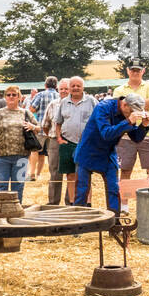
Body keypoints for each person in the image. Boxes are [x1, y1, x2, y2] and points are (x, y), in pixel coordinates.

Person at [73, 93, 149, 214]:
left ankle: (115, 222)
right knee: (82, 190)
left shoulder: (128, 113)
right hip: (88, 151)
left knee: (114, 188)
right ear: (124, 104)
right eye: (130, 112)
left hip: (108, 153)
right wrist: (128, 121)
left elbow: (135, 137)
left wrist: (144, 125)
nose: (131, 116)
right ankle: (76, 224)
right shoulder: (103, 107)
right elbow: (106, 133)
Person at [0, 86, 39, 202]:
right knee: (1, 187)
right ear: (5, 97)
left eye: (14, 95)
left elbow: (38, 128)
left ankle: (16, 210)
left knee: (18, 187)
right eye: (8, 95)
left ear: (19, 97)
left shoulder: (26, 113)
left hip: (22, 156)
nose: (11, 97)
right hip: (1, 156)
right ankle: (1, 211)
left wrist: (33, 126)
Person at [51, 77, 97, 206]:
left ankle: (87, 204)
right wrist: (59, 138)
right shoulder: (64, 102)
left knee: (85, 175)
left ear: (83, 87)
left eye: (78, 85)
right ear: (70, 87)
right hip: (67, 143)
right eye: (73, 86)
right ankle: (72, 204)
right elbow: (58, 122)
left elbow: (99, 120)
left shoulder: (92, 101)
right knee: (70, 175)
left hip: (86, 144)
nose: (75, 88)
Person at [114, 64, 149, 187]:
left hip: (148, 134)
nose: (135, 72)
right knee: (125, 170)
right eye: (133, 70)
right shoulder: (118, 89)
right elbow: (119, 109)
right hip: (125, 135)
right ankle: (124, 205)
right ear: (128, 71)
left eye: (138, 70)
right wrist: (143, 103)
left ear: (143, 71)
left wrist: (129, 105)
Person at [41, 81, 70, 204]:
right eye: (61, 88)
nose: (63, 91)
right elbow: (45, 125)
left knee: (71, 172)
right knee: (54, 173)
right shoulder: (53, 104)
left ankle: (70, 202)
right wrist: (53, 137)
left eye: (66, 89)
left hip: (71, 141)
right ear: (58, 89)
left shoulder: (74, 104)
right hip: (54, 141)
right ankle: (53, 203)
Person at [27, 77, 59, 181]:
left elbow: (31, 109)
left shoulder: (40, 95)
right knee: (52, 153)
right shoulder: (59, 95)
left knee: (35, 151)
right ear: (56, 86)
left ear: (45, 85)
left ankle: (32, 174)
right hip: (55, 129)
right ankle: (52, 175)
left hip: (40, 127)